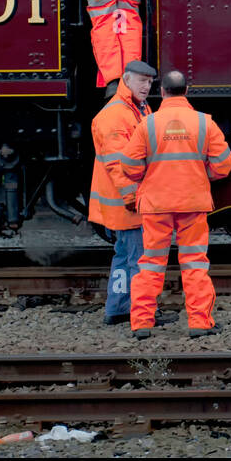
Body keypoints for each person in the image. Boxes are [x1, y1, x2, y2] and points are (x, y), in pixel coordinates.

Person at [120, 70, 231, 339]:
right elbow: (224, 165)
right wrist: (202, 174)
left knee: (150, 263)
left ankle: (142, 323)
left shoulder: (147, 124)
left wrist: (148, 175)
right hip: (192, 202)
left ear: (162, 92)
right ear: (186, 91)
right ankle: (199, 322)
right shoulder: (204, 122)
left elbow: (129, 166)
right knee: (194, 262)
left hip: (156, 204)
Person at [88, 59, 175, 326]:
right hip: (128, 203)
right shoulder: (117, 115)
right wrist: (131, 198)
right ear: (126, 80)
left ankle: (117, 309)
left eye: (149, 82)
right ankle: (143, 313)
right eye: (141, 81)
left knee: (125, 256)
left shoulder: (138, 108)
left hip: (126, 201)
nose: (146, 86)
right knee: (140, 260)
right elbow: (117, 164)